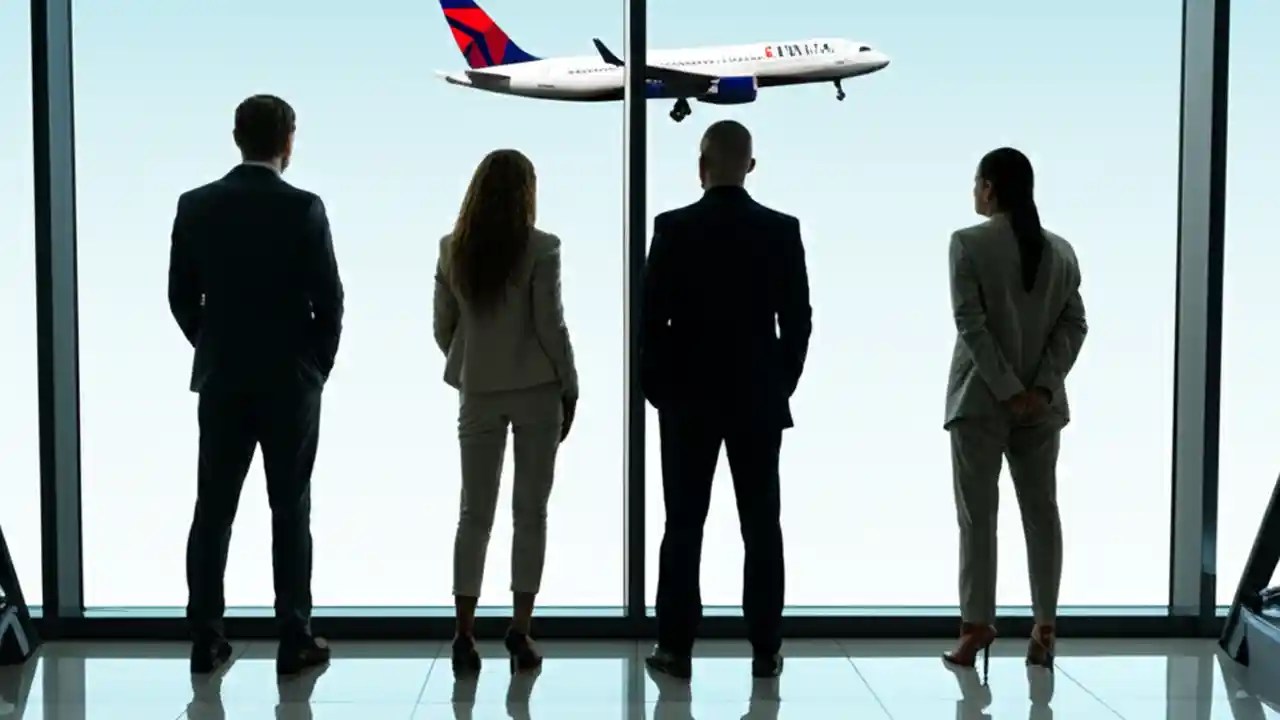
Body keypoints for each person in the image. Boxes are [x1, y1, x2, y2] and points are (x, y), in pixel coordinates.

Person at [169, 94, 343, 676]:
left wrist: (211, 345)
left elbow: (180, 295)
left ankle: (206, 637)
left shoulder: (196, 205)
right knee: (290, 508)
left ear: (237, 137)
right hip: (291, 381)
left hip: (223, 378)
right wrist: (316, 365)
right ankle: (294, 637)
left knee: (213, 509)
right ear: (288, 140)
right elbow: (330, 299)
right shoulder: (304, 209)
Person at [641, 120, 812, 680]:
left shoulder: (672, 228)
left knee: (683, 525)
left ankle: (675, 647)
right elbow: (798, 320)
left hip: (687, 397)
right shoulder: (781, 230)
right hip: (757, 395)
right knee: (761, 525)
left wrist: (658, 388)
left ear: (701, 166)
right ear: (750, 166)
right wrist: (781, 381)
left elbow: (650, 319)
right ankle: (765, 648)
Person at [941, 147, 1087, 676]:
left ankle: (976, 625)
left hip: (979, 401)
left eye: (976, 182)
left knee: (978, 518)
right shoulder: (1061, 251)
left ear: (989, 188)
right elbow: (1074, 324)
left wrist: (1006, 389)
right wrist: (1040, 388)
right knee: (1042, 513)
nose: (973, 192)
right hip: (1042, 408)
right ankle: (1045, 626)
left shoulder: (967, 243)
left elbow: (971, 324)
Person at [433, 149, 579, 676]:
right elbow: (550, 324)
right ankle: (520, 628)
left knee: (473, 513)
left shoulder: (453, 248)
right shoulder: (542, 247)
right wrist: (570, 383)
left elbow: (443, 326)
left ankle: (463, 633)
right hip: (537, 386)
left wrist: (471, 359)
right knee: (530, 512)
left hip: (478, 388)